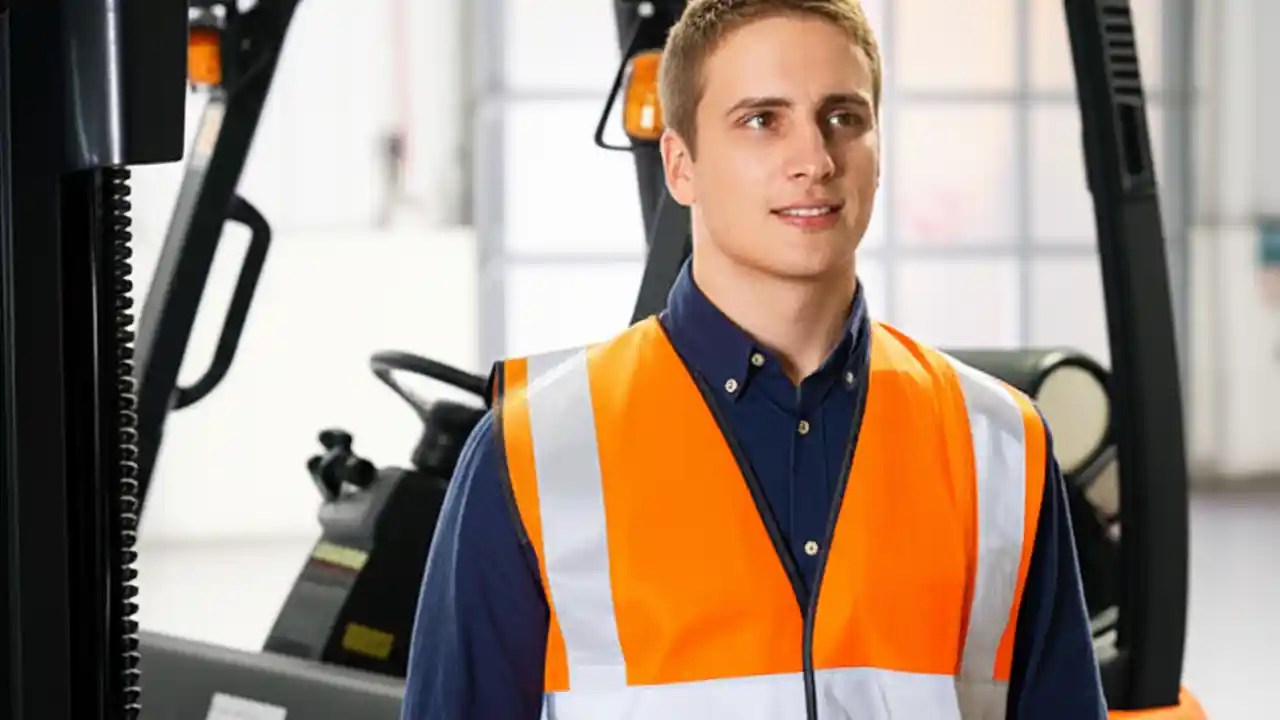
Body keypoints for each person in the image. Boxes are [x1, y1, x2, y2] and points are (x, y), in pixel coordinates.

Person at [401, 1, 1106, 718]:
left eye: (844, 117)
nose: (815, 161)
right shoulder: (533, 452)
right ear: (681, 166)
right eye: (763, 120)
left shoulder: (998, 446)